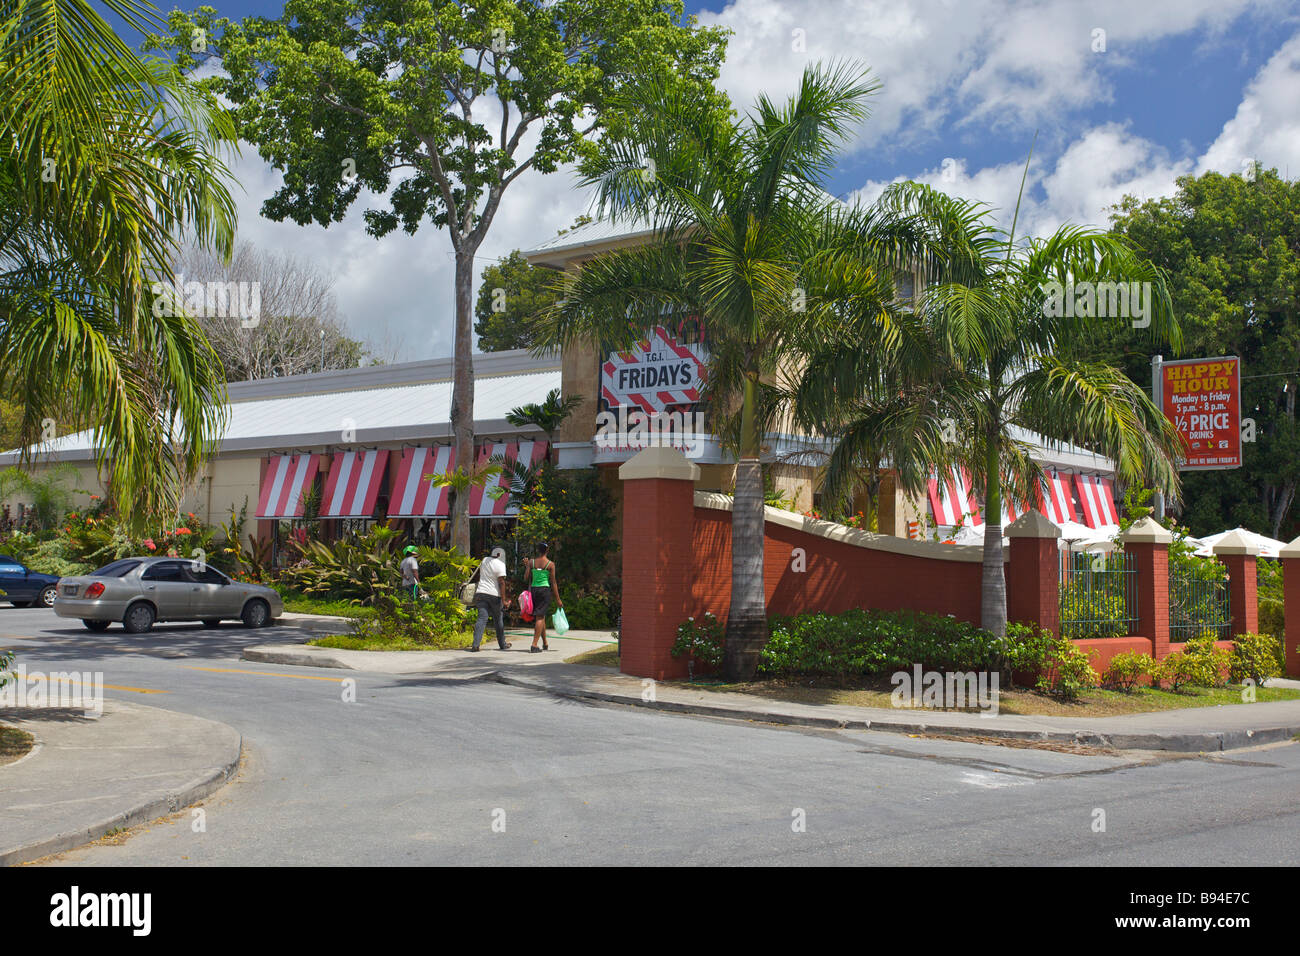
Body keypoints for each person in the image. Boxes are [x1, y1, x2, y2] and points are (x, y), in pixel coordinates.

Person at [469, 548, 511, 652]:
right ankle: (502, 644)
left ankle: (475, 644)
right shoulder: (500, 564)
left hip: (481, 593)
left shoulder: (484, 560)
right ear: (499, 554)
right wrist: (504, 600)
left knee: (482, 619)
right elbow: (501, 582)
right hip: (494, 595)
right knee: (498, 619)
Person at [523, 542, 562, 652]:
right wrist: (558, 599)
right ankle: (534, 645)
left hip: (534, 590)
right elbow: (553, 582)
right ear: (547, 551)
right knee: (540, 617)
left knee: (541, 616)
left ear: (538, 550)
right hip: (544, 591)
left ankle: (545, 643)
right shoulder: (550, 564)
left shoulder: (532, 562)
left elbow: (526, 578)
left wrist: (527, 566)